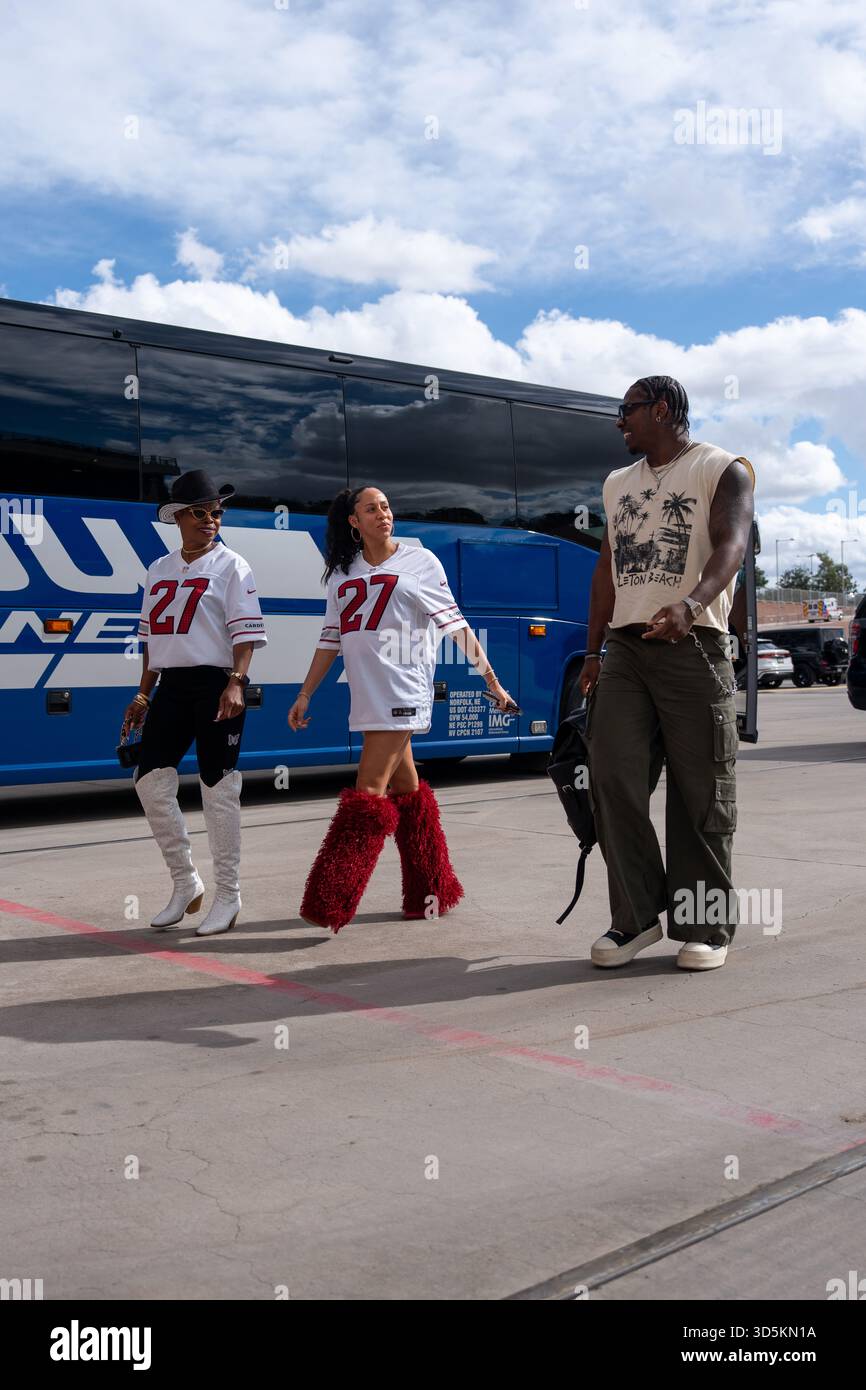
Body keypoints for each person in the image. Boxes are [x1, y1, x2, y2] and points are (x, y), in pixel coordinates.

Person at [579, 377, 754, 972]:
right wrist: (593, 650)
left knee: (699, 788)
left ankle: (706, 925)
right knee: (611, 777)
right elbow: (606, 567)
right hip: (626, 648)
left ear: (660, 410)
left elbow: (733, 545)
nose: (617, 422)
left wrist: (693, 603)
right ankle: (634, 918)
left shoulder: (722, 468)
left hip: (695, 643)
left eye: (624, 411)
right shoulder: (616, 484)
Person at [287, 485, 516, 933]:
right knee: (406, 790)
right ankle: (433, 889)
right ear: (353, 520)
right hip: (366, 690)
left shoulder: (419, 561)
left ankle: (330, 899)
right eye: (371, 508)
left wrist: (491, 679)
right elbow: (330, 639)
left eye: (387, 506)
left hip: (404, 688)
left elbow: (455, 624)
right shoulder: (341, 573)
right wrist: (305, 693)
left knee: (368, 789)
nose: (383, 514)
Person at [121, 470, 267, 936]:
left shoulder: (232, 566)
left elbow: (244, 633)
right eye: (201, 512)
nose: (211, 520)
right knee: (149, 780)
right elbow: (150, 639)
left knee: (218, 786)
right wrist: (143, 693)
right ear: (179, 517)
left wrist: (237, 682)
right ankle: (186, 883)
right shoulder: (159, 569)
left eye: (217, 513)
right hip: (171, 686)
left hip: (217, 683)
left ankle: (228, 893)